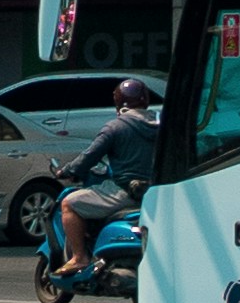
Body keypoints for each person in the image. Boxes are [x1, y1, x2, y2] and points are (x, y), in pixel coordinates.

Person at [45, 81, 159, 287]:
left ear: (118, 102)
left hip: (123, 191)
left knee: (69, 204)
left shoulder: (116, 127)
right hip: (155, 193)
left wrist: (68, 171)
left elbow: (90, 156)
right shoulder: (161, 125)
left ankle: (80, 256)